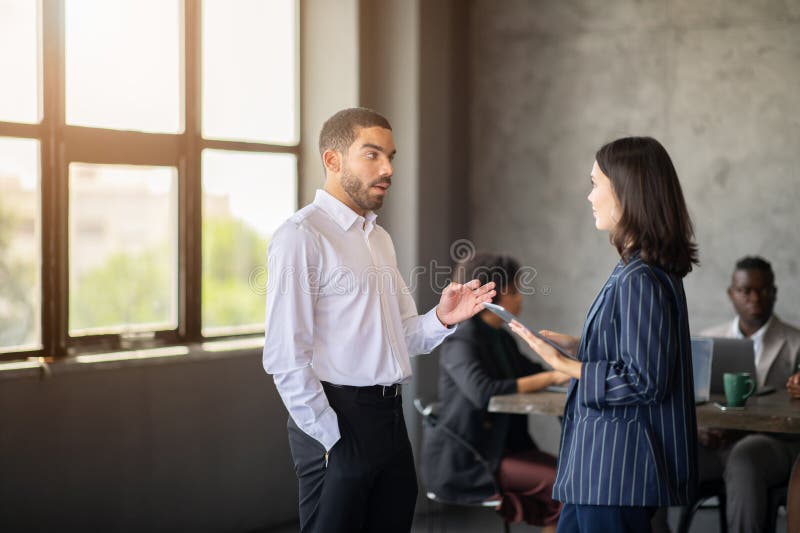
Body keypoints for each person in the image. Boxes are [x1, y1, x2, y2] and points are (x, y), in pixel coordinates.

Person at [262, 108, 496, 533]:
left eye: (391, 156)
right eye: (372, 155)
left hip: (390, 421)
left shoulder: (379, 239)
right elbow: (284, 357)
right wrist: (330, 437)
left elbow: (403, 337)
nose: (388, 168)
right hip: (337, 420)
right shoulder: (300, 237)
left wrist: (442, 318)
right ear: (332, 161)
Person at [509, 137, 699, 533]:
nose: (589, 196)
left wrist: (568, 365)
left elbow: (647, 380)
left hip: (617, 471)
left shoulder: (640, 277)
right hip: (596, 469)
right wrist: (581, 347)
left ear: (627, 191)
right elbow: (634, 353)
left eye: (596, 183)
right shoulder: (636, 271)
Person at [421, 252, 569, 532]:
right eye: (513, 291)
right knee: (564, 485)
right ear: (490, 296)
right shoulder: (461, 338)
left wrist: (569, 369)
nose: (519, 299)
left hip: (504, 448)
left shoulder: (501, 337)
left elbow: (532, 371)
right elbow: (483, 392)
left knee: (571, 481)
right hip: (471, 459)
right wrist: (554, 374)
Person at [698, 256, 800, 533]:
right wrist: (700, 431)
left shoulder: (796, 343)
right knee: (659, 451)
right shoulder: (706, 341)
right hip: (714, 442)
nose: (754, 298)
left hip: (774, 443)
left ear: (774, 293)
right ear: (732, 294)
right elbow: (694, 398)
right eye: (745, 290)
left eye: (762, 290)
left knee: (745, 457)